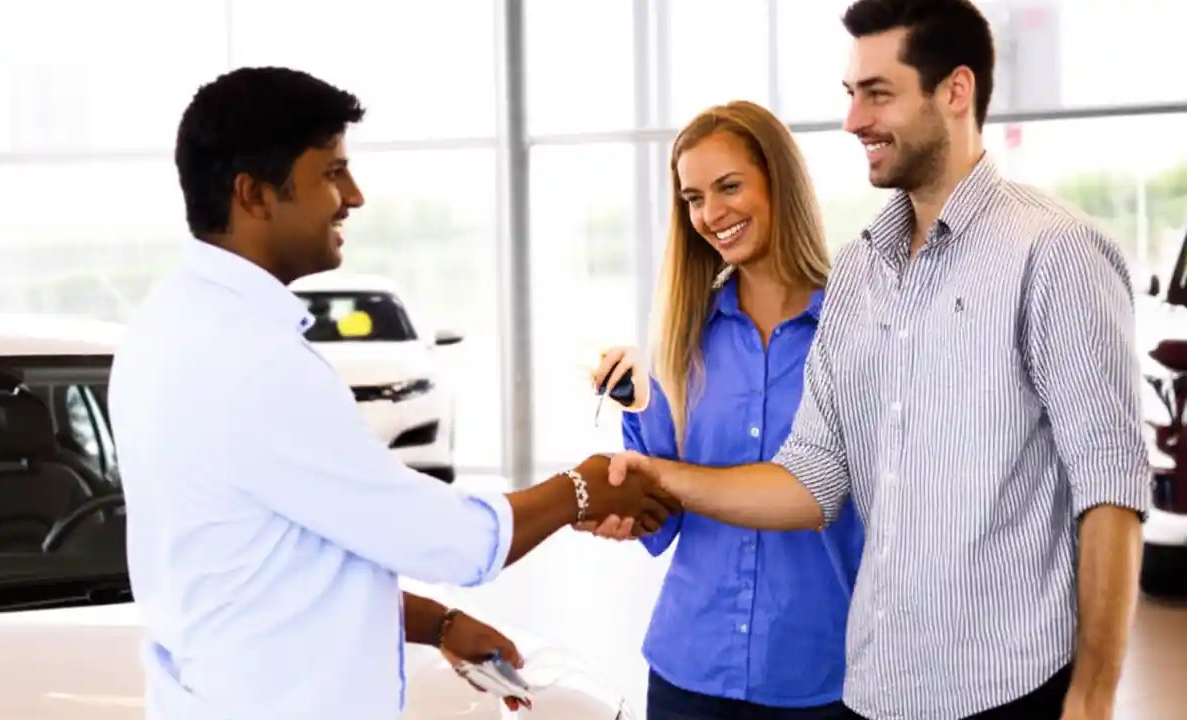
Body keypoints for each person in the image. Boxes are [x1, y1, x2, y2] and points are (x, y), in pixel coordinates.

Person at [605, 2, 1152, 719]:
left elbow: (1109, 481)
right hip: (875, 690)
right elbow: (811, 480)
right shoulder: (862, 273)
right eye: (850, 94)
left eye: (878, 93)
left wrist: (1092, 695)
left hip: (1010, 686)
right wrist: (657, 475)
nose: (854, 120)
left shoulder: (1052, 250)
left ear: (955, 92)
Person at [108, 66, 677, 720]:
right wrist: (579, 490)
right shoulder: (250, 361)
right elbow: (441, 538)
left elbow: (272, 560)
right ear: (255, 195)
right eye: (331, 173)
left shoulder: (165, 325)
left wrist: (436, 624)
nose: (354, 196)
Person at [582, 101, 865, 720]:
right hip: (689, 670)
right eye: (692, 197)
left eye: (729, 186)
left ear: (778, 181)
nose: (710, 214)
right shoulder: (678, 345)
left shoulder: (858, 330)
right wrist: (618, 499)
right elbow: (660, 527)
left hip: (820, 675)